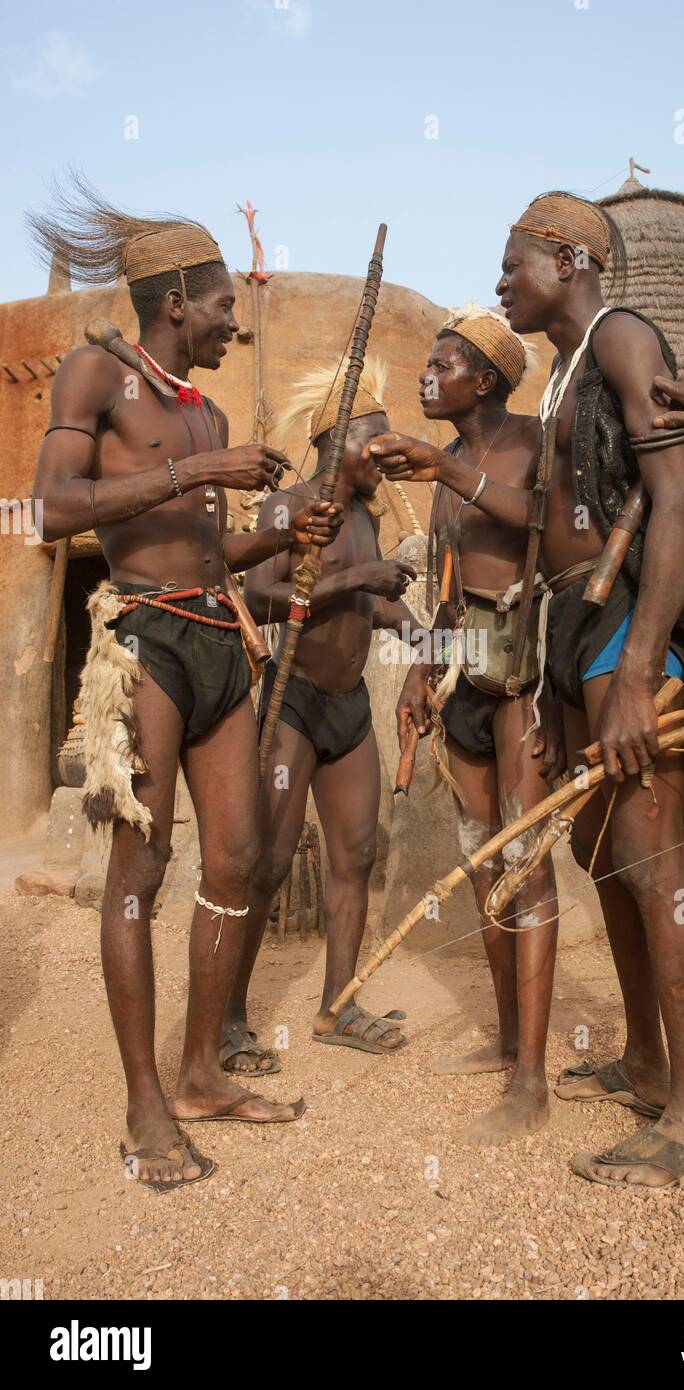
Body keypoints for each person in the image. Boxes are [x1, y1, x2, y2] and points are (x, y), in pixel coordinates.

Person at [371, 190, 684, 1188]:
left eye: (512, 263)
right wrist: (437, 470)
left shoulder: (621, 338)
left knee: (648, 851)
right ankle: (646, 1062)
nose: (500, 281)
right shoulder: (577, 371)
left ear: (570, 259)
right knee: (599, 849)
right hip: (574, 618)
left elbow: (669, 506)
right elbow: (543, 510)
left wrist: (633, 671)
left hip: (623, 620)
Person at [31, 179, 341, 1190]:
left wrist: (281, 531)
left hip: (217, 638)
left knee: (240, 860)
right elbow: (52, 511)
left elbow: (210, 548)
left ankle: (201, 1071)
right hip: (145, 641)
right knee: (138, 868)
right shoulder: (94, 374)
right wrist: (193, 478)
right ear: (174, 302)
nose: (230, 323)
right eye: (219, 307)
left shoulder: (203, 412)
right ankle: (143, 1108)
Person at [393, 304, 561, 1145]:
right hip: (467, 661)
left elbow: (545, 522)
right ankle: (504, 1042)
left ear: (485, 378)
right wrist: (421, 673)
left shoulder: (535, 438)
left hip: (525, 662)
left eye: (442, 363)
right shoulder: (449, 462)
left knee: (524, 857)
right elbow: (447, 587)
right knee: (479, 848)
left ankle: (533, 1081)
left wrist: (443, 471)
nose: (427, 375)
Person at [240, 360, 424, 1057]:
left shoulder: (363, 521)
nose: (384, 458)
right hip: (293, 706)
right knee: (270, 860)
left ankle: (338, 1007)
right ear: (338, 440)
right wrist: (357, 578)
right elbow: (259, 597)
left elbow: (378, 604)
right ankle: (228, 1016)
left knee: (357, 854)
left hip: (346, 712)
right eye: (374, 445)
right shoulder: (289, 508)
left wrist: (432, 642)